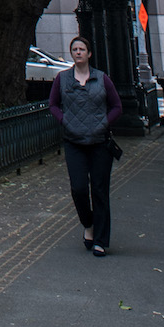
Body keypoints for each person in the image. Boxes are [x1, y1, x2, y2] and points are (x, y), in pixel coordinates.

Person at [49, 35, 123, 257]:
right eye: (75, 49)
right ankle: (88, 224)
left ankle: (100, 240)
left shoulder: (102, 79)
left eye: (82, 49)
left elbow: (117, 106)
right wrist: (65, 121)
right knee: (79, 188)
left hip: (99, 142)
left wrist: (103, 123)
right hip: (74, 142)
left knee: (99, 190)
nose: (78, 52)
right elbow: (52, 104)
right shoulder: (62, 79)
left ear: (89, 54)